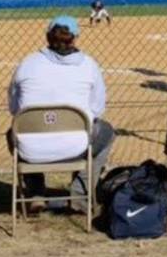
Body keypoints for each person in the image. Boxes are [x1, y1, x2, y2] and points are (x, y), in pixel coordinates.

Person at [7, 16, 113, 211]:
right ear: (75, 38)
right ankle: (79, 197)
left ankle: (35, 193)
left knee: (12, 132)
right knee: (106, 131)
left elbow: (14, 109)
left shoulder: (27, 64)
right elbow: (97, 109)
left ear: (47, 37)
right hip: (78, 147)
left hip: (32, 149)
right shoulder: (89, 65)